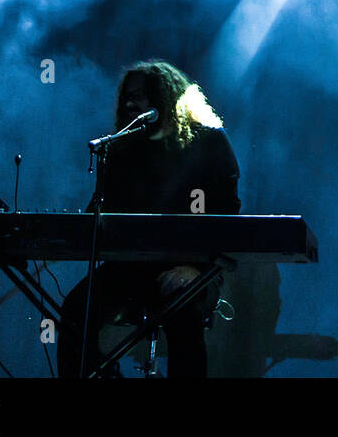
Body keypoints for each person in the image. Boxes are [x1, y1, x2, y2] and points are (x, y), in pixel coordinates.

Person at [57, 60, 240, 378]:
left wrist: (195, 269)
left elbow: (227, 216)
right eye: (127, 96)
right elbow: (100, 213)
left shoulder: (209, 143)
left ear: (165, 97)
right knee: (75, 310)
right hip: (128, 270)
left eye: (140, 95)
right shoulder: (119, 150)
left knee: (183, 318)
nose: (130, 103)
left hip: (191, 270)